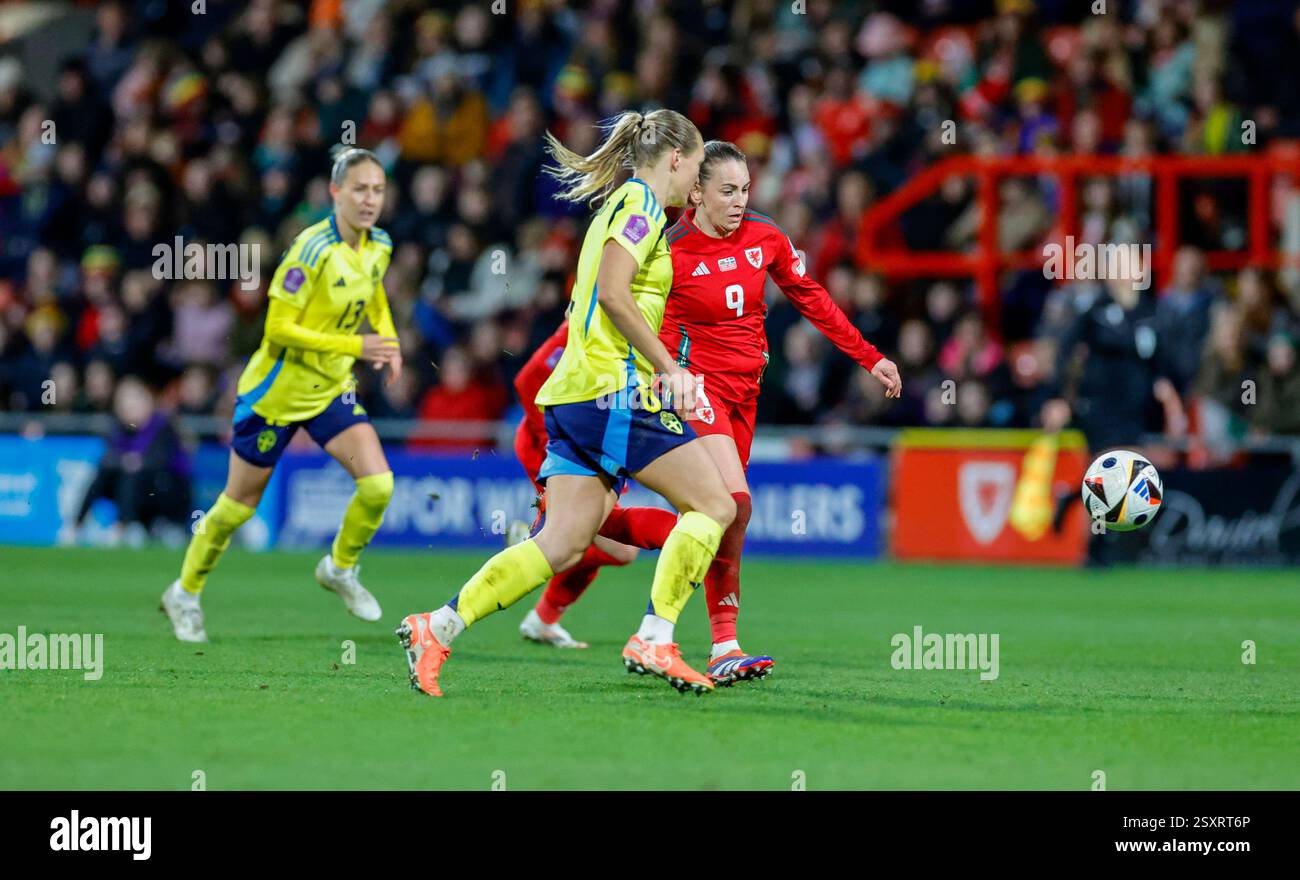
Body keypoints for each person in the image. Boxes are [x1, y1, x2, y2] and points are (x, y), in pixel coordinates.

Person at [532, 140, 902, 684]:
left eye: (746, 190)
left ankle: (590, 530)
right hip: (694, 394)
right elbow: (618, 304)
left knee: (712, 515)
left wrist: (870, 357)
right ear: (696, 192)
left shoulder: (765, 238)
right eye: (727, 191)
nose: (739, 201)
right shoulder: (667, 247)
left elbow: (811, 297)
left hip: (745, 399)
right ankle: (702, 640)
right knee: (733, 504)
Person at [396, 108, 737, 697]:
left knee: (561, 543)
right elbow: (611, 294)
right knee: (714, 506)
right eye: (698, 165)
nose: (698, 181)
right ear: (677, 159)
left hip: (577, 397)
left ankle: (438, 625)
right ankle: (655, 637)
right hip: (612, 390)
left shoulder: (623, 206)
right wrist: (671, 369)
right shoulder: (642, 207)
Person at [161, 148, 402, 643]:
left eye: (377, 190)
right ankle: (184, 592)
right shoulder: (310, 251)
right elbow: (278, 327)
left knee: (378, 485)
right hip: (274, 395)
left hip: (329, 389)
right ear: (335, 192)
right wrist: (357, 344)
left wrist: (389, 339)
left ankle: (339, 568)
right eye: (359, 189)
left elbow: (374, 292)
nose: (369, 199)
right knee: (236, 508)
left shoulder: (379, 245)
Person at [510, 319, 679, 649]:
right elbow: (527, 381)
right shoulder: (584, 322)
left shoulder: (638, 321)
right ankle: (535, 543)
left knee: (597, 540)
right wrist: (555, 437)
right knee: (616, 547)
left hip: (597, 441)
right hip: (561, 447)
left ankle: (542, 617)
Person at [73, 376, 191, 543]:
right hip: (132, 491)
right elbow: (108, 460)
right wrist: (126, 462)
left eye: (134, 398)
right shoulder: (118, 429)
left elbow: (157, 462)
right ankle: (75, 526)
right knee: (103, 475)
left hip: (166, 491)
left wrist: (132, 463)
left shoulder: (163, 426)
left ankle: (125, 527)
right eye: (124, 399)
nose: (129, 405)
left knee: (133, 474)